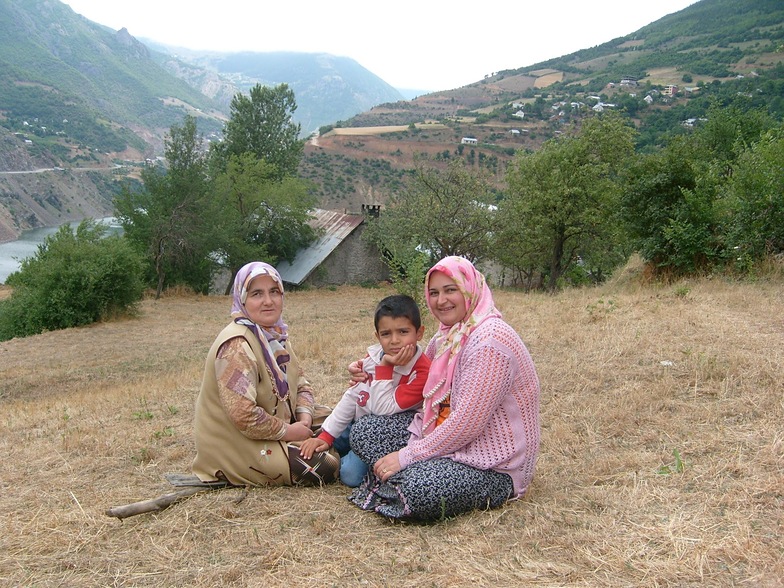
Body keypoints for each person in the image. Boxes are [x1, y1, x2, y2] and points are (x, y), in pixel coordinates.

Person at [346, 256, 541, 520]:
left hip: (491, 466)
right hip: (440, 441)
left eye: (451, 290)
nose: (441, 300)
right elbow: (421, 398)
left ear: (470, 289)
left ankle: (402, 481)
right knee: (365, 432)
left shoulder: (490, 341)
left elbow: (466, 425)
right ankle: (402, 479)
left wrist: (405, 457)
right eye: (434, 292)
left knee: (419, 487)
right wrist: (374, 369)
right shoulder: (447, 336)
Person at [192, 261, 339, 487]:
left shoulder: (275, 337)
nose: (268, 301)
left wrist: (305, 420)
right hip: (238, 443)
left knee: (344, 421)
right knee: (324, 467)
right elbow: (244, 417)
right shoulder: (236, 346)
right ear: (242, 299)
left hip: (281, 422)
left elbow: (302, 384)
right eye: (257, 294)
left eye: (274, 292)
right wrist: (291, 432)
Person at [299, 294, 431, 487]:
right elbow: (353, 395)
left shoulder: (422, 372)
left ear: (419, 333)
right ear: (377, 336)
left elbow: (382, 409)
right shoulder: (374, 357)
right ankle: (325, 449)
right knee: (322, 439)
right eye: (386, 334)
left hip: (382, 437)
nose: (394, 341)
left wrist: (385, 367)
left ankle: (339, 462)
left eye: (403, 332)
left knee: (350, 476)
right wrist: (326, 436)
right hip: (357, 423)